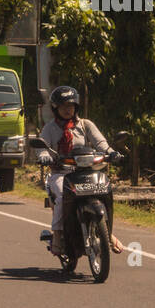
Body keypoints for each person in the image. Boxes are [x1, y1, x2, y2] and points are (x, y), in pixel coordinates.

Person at [39, 86, 125, 256]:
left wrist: (111, 152)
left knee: (104, 190)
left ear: (76, 107)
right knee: (63, 196)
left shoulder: (86, 125)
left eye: (70, 105)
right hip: (61, 173)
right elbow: (42, 146)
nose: (67, 109)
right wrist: (44, 156)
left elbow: (101, 143)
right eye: (63, 106)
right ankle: (57, 234)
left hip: (87, 170)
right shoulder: (49, 128)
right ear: (55, 108)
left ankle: (107, 232)